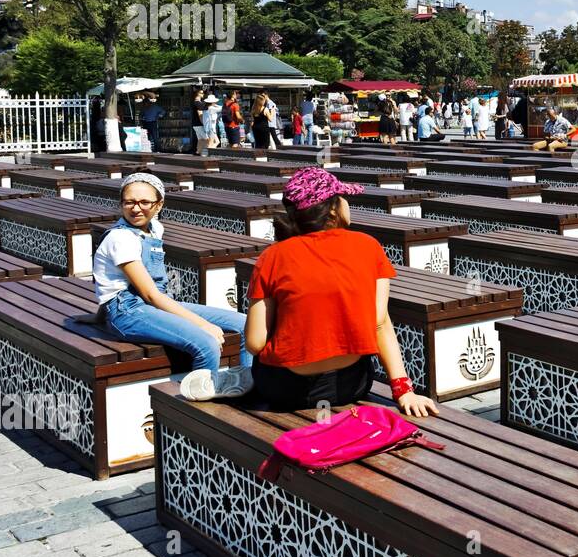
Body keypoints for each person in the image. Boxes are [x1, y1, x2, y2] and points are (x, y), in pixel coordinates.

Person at [244, 167, 438, 417]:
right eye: (343, 197)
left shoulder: (271, 257)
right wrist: (403, 391)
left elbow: (254, 342)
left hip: (285, 389)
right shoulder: (368, 246)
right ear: (333, 209)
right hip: (349, 385)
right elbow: (379, 323)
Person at [94, 173, 252, 401]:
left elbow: (137, 288)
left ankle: (248, 384)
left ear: (159, 205)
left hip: (151, 304)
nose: (136, 209)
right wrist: (203, 325)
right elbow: (148, 294)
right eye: (129, 202)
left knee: (245, 322)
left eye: (144, 202)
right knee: (206, 343)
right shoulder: (120, 239)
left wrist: (97, 316)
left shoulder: (154, 229)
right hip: (128, 312)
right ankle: (199, 410)